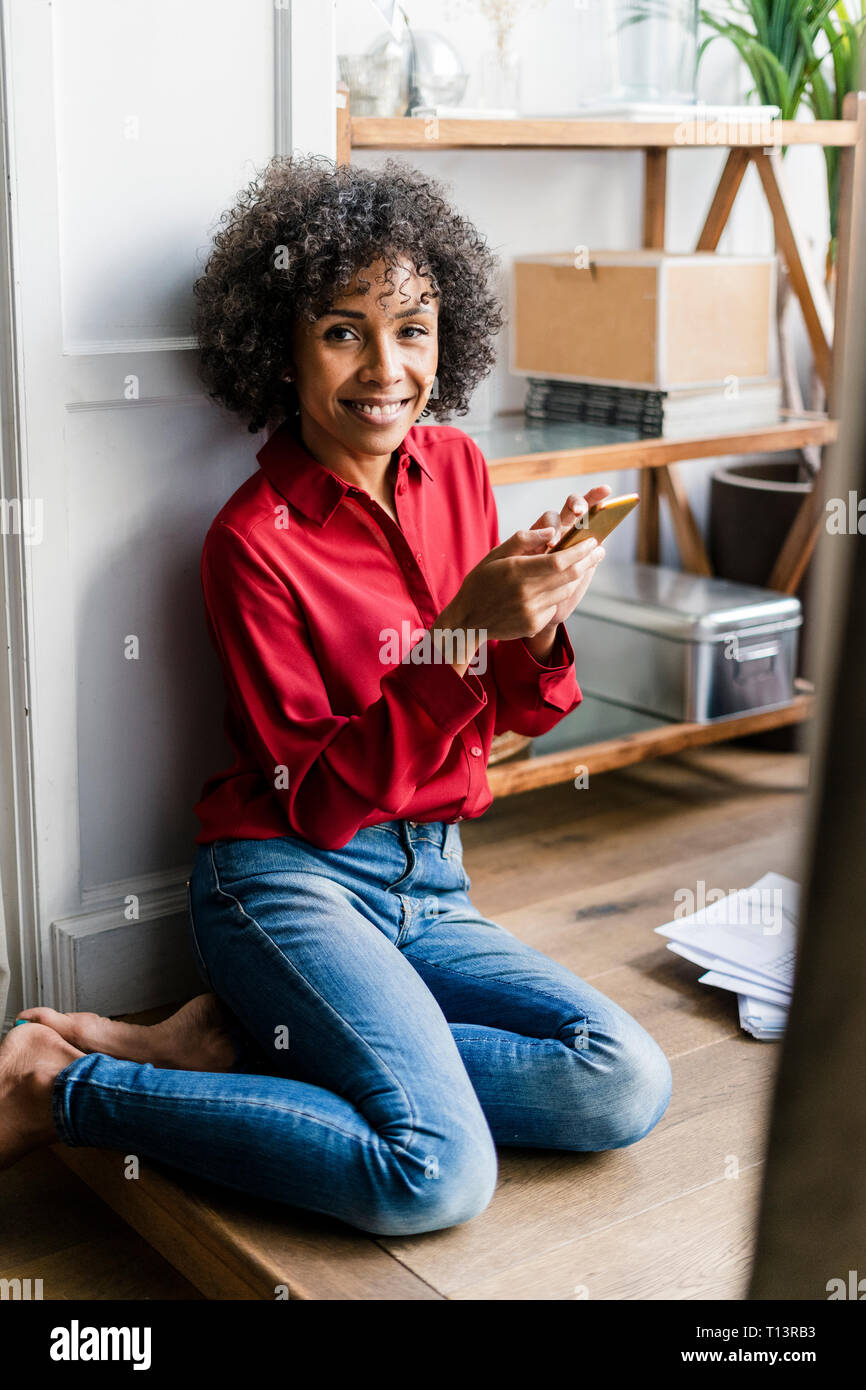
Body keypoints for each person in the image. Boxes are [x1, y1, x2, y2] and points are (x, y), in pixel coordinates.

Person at [0, 155, 671, 1235]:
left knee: (622, 1079)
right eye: (342, 329)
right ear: (283, 344)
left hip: (434, 886)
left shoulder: (455, 469)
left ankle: (241, 1038)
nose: (385, 367)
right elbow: (314, 801)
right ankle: (52, 1083)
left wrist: (530, 616)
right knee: (435, 1172)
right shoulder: (249, 541)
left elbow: (521, 712)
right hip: (286, 881)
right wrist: (461, 630)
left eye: (411, 327)